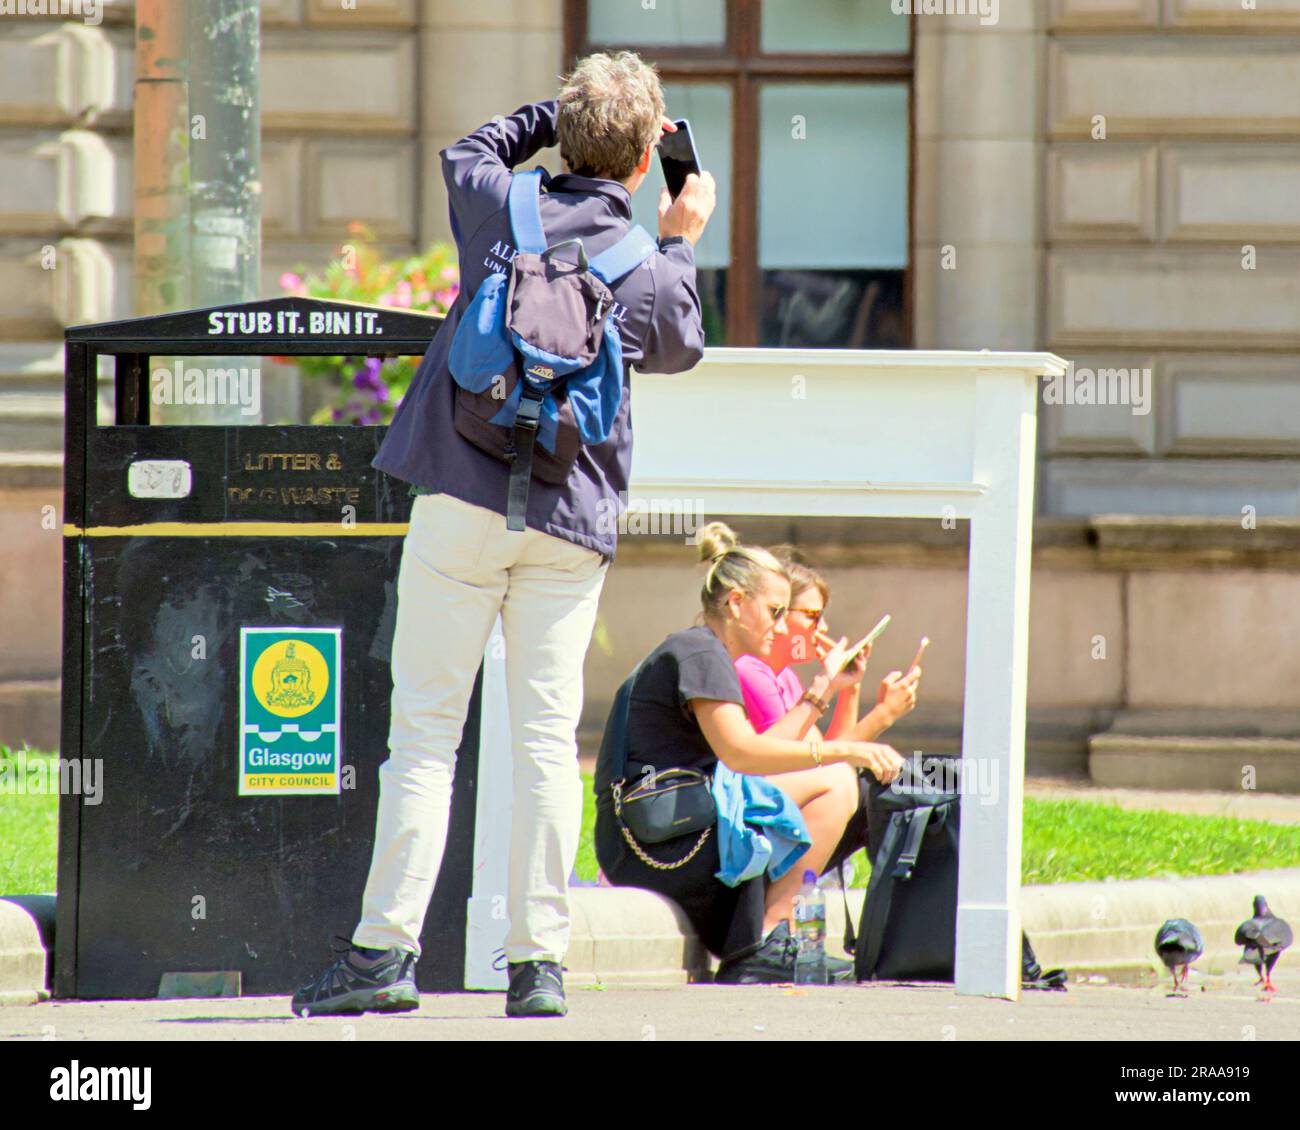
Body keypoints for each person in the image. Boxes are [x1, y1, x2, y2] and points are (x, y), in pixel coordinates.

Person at [291, 50, 718, 1019]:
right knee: (542, 742)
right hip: (568, 520)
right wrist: (681, 235)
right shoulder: (646, 266)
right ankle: (538, 967)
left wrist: (571, 119)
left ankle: (381, 955)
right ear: (648, 161)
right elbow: (681, 344)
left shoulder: (496, 207)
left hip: (459, 497)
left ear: (561, 135)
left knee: (424, 738)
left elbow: (468, 146)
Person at [593, 522, 905, 984]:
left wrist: (823, 691)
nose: (781, 627)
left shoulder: (704, 650)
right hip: (655, 845)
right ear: (737, 603)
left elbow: (762, 750)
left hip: (668, 832)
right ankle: (767, 939)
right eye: (776, 612)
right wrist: (847, 750)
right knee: (837, 783)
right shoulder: (700, 654)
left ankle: (771, 939)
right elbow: (741, 754)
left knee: (840, 781)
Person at [734, 546, 922, 886]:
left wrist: (848, 687)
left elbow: (829, 753)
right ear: (778, 613)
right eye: (812, 616)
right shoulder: (751, 672)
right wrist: (883, 714)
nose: (822, 627)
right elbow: (817, 763)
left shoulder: (785, 677)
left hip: (788, 808)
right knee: (881, 795)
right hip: (760, 820)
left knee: (891, 789)